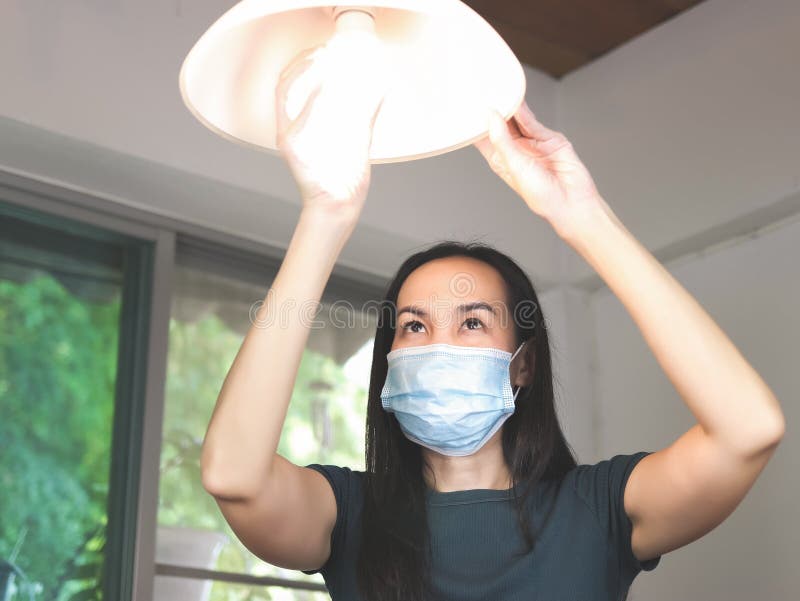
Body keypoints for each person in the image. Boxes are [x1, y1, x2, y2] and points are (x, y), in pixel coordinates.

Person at [200, 48, 786, 601]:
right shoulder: (348, 514)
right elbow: (233, 475)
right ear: (389, 361)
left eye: (473, 323)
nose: (439, 344)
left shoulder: (599, 509)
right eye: (414, 327)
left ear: (522, 364)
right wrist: (325, 216)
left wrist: (583, 218)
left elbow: (749, 429)